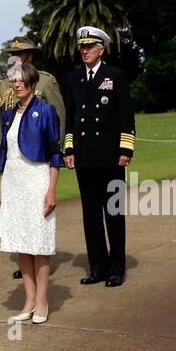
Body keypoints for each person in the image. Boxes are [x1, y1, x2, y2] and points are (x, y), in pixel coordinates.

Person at [64, 26, 134, 287]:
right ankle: (98, 267)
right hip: (84, 157)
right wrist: (69, 149)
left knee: (114, 214)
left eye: (89, 46)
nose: (84, 51)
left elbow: (126, 115)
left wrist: (126, 150)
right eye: (81, 47)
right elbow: (71, 117)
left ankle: (117, 268)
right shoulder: (73, 78)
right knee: (90, 215)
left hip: (111, 158)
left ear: (101, 49)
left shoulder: (115, 75)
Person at [0, 62, 62, 324]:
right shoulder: (8, 115)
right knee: (21, 244)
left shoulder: (46, 111)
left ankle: (43, 301)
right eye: (13, 81)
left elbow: (55, 154)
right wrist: (1, 189)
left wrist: (52, 190)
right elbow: (4, 155)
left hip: (37, 180)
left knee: (39, 244)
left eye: (21, 80)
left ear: (32, 81)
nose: (17, 84)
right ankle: (30, 299)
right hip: (13, 183)